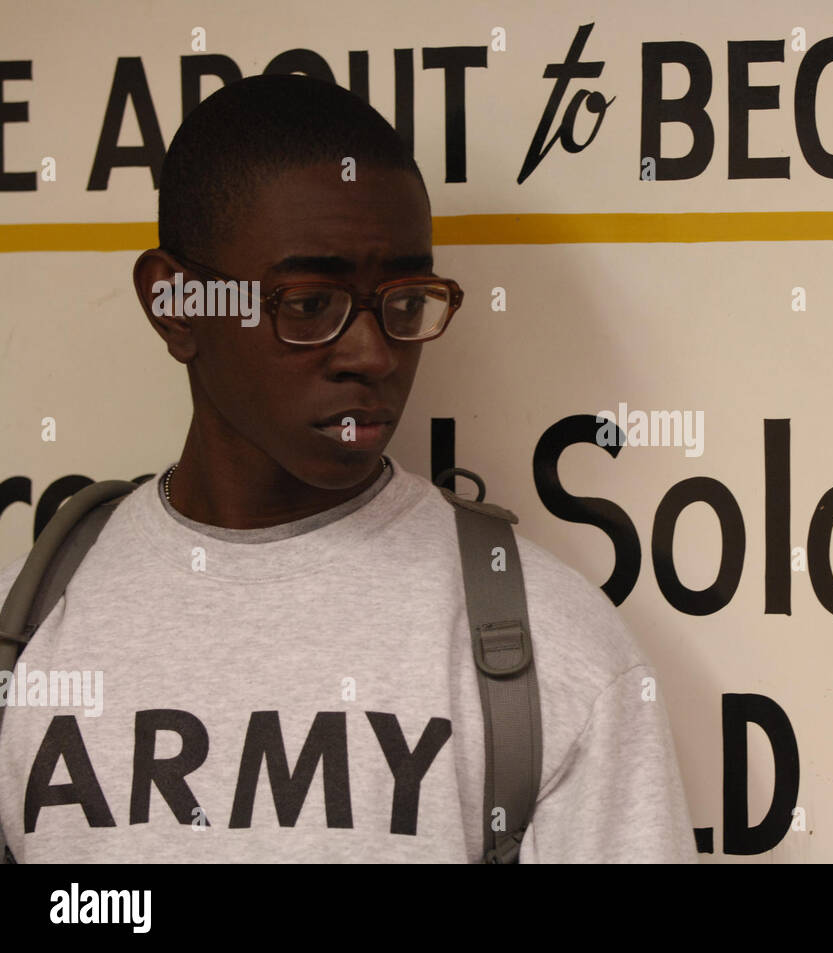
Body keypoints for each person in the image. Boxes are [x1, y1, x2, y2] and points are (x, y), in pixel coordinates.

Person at [0, 73, 697, 863]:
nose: (373, 354)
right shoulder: (28, 632)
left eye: (404, 301)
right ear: (177, 305)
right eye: (308, 302)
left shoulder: (549, 652)